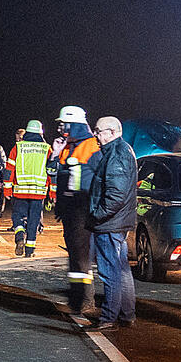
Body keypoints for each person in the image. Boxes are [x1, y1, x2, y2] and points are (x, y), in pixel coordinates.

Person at [86, 115, 138, 328]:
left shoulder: (116, 155)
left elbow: (115, 195)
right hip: (117, 222)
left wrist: (97, 215)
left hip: (110, 224)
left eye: (99, 131)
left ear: (113, 132)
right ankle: (127, 315)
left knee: (110, 272)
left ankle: (109, 317)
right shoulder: (122, 151)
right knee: (122, 269)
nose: (96, 135)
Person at [52, 106, 101, 314]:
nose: (61, 128)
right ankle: (76, 298)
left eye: (63, 124)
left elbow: (100, 177)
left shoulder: (91, 146)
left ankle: (87, 300)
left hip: (83, 208)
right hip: (69, 209)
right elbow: (54, 173)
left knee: (82, 256)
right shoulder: (66, 147)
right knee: (73, 255)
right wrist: (54, 154)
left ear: (74, 125)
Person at [5, 119, 50, 257]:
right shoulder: (47, 149)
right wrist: (53, 193)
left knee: (18, 216)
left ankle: (19, 236)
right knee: (34, 220)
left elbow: (9, 169)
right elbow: (52, 172)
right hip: (39, 192)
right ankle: (30, 250)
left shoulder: (18, 147)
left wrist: (7, 189)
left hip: (20, 190)